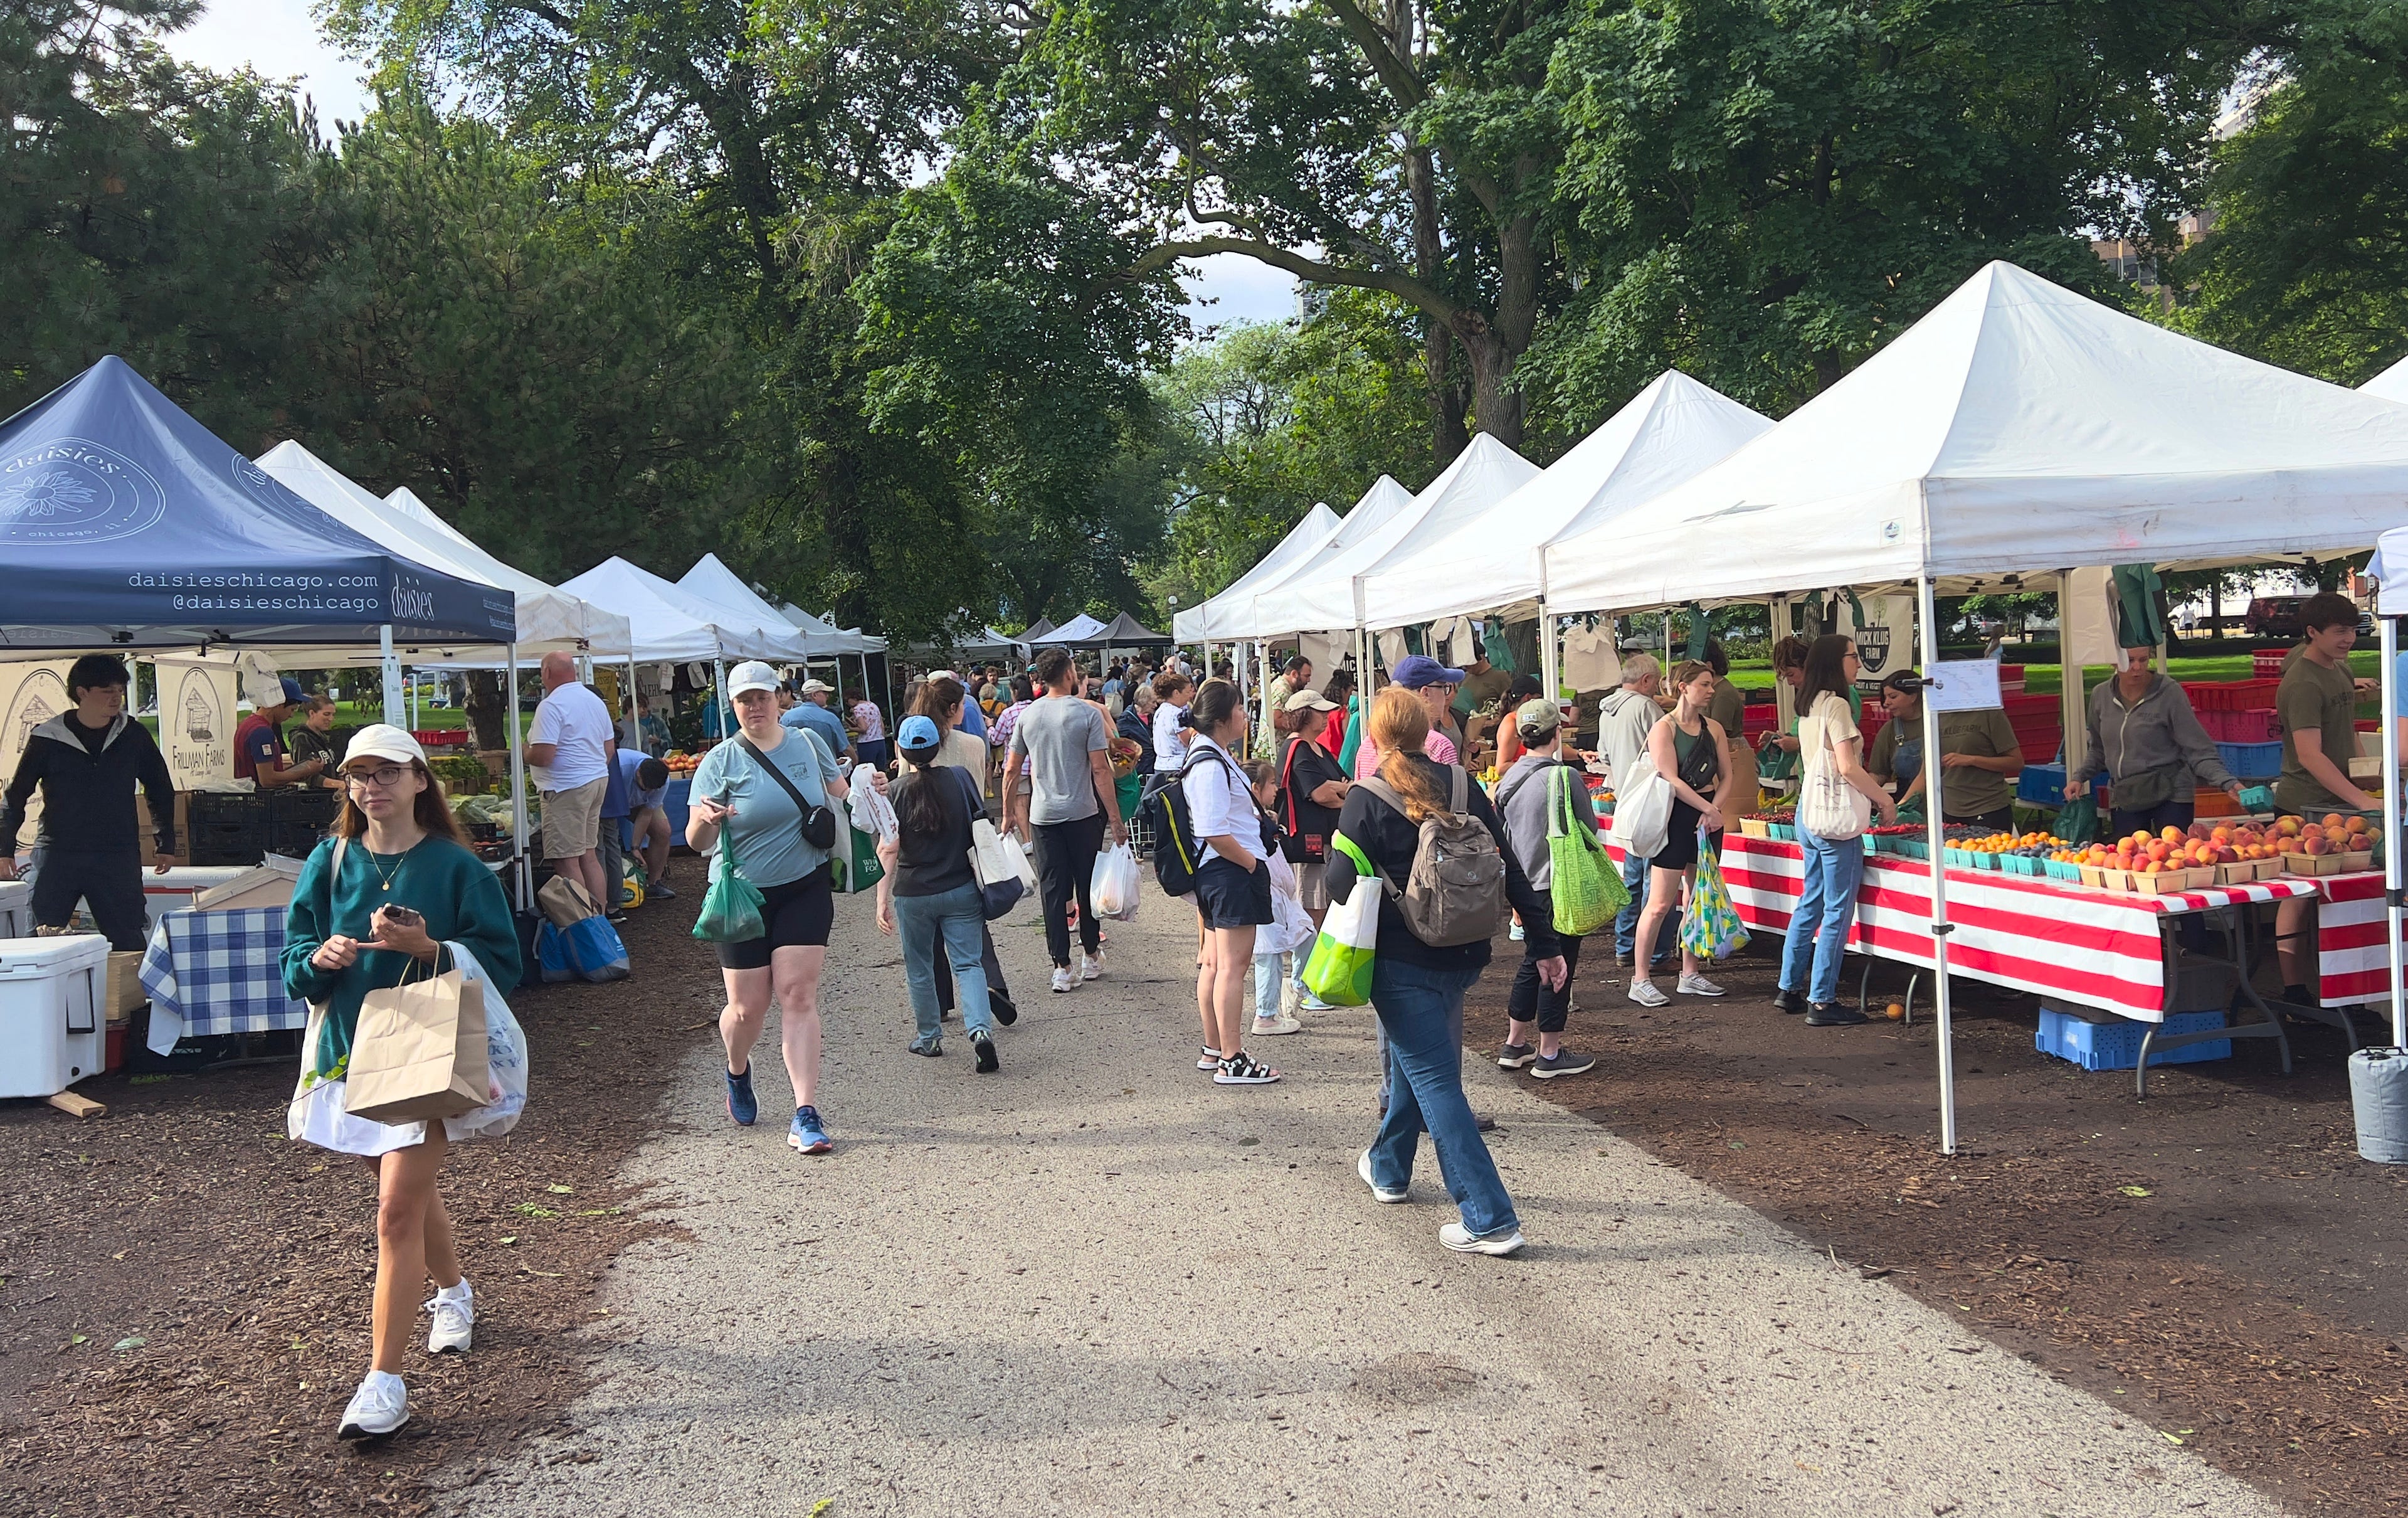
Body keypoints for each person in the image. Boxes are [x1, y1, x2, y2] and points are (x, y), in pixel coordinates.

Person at [279, 725, 522, 1440]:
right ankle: (454, 1289)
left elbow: (504, 964)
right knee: (409, 1197)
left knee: (393, 1210)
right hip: (352, 1053)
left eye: (388, 772)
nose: (372, 785)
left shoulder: (456, 865)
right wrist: (317, 957)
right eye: (360, 773)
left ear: (420, 779)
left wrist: (434, 947)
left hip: (428, 1050)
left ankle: (383, 1382)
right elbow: (294, 956)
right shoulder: (329, 860)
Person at [1331, 686, 1563, 1256]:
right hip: (1464, 951)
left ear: (1378, 737)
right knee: (1424, 1063)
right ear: (1426, 728)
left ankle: (1488, 1217)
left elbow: (1339, 884)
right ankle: (1388, 1168)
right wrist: (1545, 942)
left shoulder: (1367, 797)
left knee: (1435, 1079)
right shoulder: (1463, 784)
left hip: (1400, 959)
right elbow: (1508, 868)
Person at [685, 661, 845, 1156]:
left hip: (804, 885)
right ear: (732, 706)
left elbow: (840, 794)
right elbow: (695, 841)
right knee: (746, 1008)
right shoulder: (720, 761)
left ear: (779, 698)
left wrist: (870, 787)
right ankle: (737, 1069)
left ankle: (805, 1113)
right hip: (742, 896)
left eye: (762, 697)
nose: (754, 707)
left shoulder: (807, 744)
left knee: (797, 995)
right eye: (743, 700)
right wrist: (709, 821)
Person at [0, 653, 177, 950]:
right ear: (82, 693)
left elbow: (160, 789)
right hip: (58, 853)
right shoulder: (47, 738)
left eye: (120, 690)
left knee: (128, 938)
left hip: (116, 852)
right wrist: (4, 850)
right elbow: (16, 796)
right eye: (107, 691)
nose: (116, 698)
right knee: (41, 938)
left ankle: (132, 998)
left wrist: (166, 843)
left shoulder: (133, 735)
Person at [1774, 636, 1897, 1026]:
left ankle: (1790, 987)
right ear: (1834, 661)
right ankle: (1822, 1000)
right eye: (1853, 657)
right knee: (1838, 909)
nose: (1858, 664)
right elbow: (1847, 766)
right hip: (1834, 819)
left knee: (1811, 901)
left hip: (1809, 813)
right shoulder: (1838, 704)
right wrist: (1883, 799)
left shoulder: (1809, 705)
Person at [876, 715, 1003, 1070]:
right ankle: (980, 1032)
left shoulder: (896, 791)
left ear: (900, 749)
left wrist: (880, 897)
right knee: (969, 964)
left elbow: (889, 848)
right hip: (960, 886)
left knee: (920, 967)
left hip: (913, 893)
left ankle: (929, 1038)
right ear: (938, 746)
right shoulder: (960, 779)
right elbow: (980, 820)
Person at [2273, 592, 2379, 999]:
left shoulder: (2340, 670)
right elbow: (2309, 754)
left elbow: (2346, 730)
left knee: (2344, 897)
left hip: (2343, 801)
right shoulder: (2301, 682)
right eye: (2339, 631)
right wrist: (2361, 800)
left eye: (2352, 630)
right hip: (2304, 805)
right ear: (2313, 633)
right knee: (2298, 896)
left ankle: (2344, 987)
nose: (2348, 638)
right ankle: (2293, 989)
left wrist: (2365, 778)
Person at [1004, 647, 1126, 994]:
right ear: (1070, 675)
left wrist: (1010, 813)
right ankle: (1090, 953)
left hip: (1043, 815)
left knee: (1053, 890)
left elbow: (1012, 769)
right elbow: (1101, 769)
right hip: (1083, 812)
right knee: (1086, 883)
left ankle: (1061, 965)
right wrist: (1115, 819)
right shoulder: (1085, 714)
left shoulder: (1028, 716)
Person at [1181, 679, 1283, 1083]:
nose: (1245, 715)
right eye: (1240, 709)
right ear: (1223, 718)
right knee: (1232, 967)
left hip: (1221, 870)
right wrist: (1250, 864)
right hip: (1229, 871)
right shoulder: (1209, 762)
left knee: (1216, 963)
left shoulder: (1211, 755)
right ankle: (1232, 1057)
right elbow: (1212, 829)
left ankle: (1215, 1048)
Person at [1492, 698, 1600, 1078]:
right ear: (1557, 733)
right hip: (1559, 882)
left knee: (1533, 959)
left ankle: (1515, 1043)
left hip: (1523, 884)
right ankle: (1549, 1052)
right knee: (1558, 963)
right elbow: (1590, 828)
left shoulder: (1507, 779)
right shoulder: (1565, 778)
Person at [1625, 661, 1733, 1008]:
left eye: (1711, 684)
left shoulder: (1714, 728)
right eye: (1704, 684)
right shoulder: (1664, 728)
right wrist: (1708, 810)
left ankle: (1690, 972)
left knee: (1695, 897)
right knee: (1659, 903)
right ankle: (1640, 978)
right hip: (1675, 816)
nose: (1711, 690)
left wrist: (1713, 808)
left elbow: (1727, 776)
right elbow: (1670, 778)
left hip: (1706, 816)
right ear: (1683, 687)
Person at [2067, 645, 2245, 838]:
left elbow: (2198, 749)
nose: (2137, 668)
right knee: (2128, 859)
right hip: (2127, 793)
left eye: (2143, 660)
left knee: (2173, 857)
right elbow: (2099, 749)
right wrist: (2080, 776)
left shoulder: (2169, 693)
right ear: (2114, 661)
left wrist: (2228, 783)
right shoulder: (2101, 695)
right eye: (2130, 661)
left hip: (2172, 792)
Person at [1869, 671, 2023, 827]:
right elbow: (1926, 773)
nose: (1886, 703)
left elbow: (2016, 762)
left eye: (1893, 697)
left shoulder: (1988, 714)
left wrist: (1972, 760)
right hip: (1946, 812)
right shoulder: (1934, 720)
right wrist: (1900, 807)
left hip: (1988, 808)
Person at [525, 652, 616, 910]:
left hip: (565, 788)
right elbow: (609, 749)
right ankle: (599, 918)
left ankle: (582, 926)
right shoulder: (594, 700)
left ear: (547, 673)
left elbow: (543, 756)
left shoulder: (551, 705)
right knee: (588, 855)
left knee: (567, 861)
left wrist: (524, 751)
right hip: (596, 780)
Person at [1596, 652, 1666, 970]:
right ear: (1647, 680)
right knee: (1656, 885)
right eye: (1657, 680)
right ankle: (1655, 952)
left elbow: (1604, 755)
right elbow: (1664, 755)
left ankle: (1625, 946)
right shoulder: (1647, 709)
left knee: (1632, 880)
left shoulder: (1606, 710)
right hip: (1651, 804)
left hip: (1624, 801)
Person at [1238, 758, 1304, 1038]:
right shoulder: (1247, 820)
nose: (1277, 788)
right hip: (1265, 892)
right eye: (1273, 784)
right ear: (1256, 788)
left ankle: (1297, 986)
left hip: (1281, 895)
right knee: (1269, 952)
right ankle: (1265, 1014)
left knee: (1306, 935)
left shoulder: (1261, 817)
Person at [1356, 654, 1462, 778]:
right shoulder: (1440, 746)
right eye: (1445, 688)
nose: (1446, 696)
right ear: (1425, 693)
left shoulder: (1366, 747)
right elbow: (1455, 796)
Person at [238, 677, 326, 789]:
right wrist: (307, 770)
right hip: (260, 800)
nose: (291, 715)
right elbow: (267, 780)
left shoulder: (248, 723)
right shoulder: (262, 732)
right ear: (279, 704)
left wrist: (301, 767)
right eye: (292, 709)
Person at [594, 708, 634, 923]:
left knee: (598, 849)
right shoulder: (610, 732)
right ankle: (614, 905)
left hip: (599, 795)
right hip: (614, 796)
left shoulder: (593, 730)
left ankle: (600, 906)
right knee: (612, 848)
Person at [625, 752, 675, 898]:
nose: (649, 792)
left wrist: (636, 847)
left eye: (653, 789)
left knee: (663, 832)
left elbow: (647, 813)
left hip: (639, 805)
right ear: (638, 773)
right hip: (611, 800)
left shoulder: (663, 781)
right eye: (645, 788)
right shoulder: (621, 767)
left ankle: (654, 884)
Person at [780, 678, 855, 766]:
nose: (827, 696)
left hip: (798, 769)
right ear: (814, 695)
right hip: (827, 769)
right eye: (825, 693)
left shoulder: (787, 718)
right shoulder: (830, 718)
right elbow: (846, 748)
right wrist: (855, 760)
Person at [288, 694, 347, 788]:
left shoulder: (323, 738)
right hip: (315, 798)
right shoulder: (301, 739)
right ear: (312, 714)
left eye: (333, 715)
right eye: (326, 714)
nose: (331, 719)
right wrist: (339, 785)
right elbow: (306, 775)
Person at [1491, 674, 1547, 771]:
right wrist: (1535, 764)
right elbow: (1501, 767)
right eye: (1539, 698)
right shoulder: (1511, 723)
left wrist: (1578, 753)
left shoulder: (1529, 720)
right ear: (1528, 698)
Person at [1151, 670, 1193, 773]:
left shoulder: (1160, 711)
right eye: (1187, 692)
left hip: (1160, 765)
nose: (1190, 696)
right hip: (1177, 767)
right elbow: (1187, 740)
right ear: (1176, 693)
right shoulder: (1177, 714)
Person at [1319, 669, 1358, 762]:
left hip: (1319, 755)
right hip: (1336, 758)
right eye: (1350, 692)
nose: (1351, 696)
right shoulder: (1342, 713)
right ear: (1342, 691)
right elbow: (1348, 739)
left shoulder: (1319, 711)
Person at [849, 686, 889, 770]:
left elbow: (864, 728)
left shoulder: (857, 709)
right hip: (880, 741)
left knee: (867, 773)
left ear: (853, 698)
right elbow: (882, 724)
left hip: (866, 743)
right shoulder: (873, 705)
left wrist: (851, 728)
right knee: (880, 771)